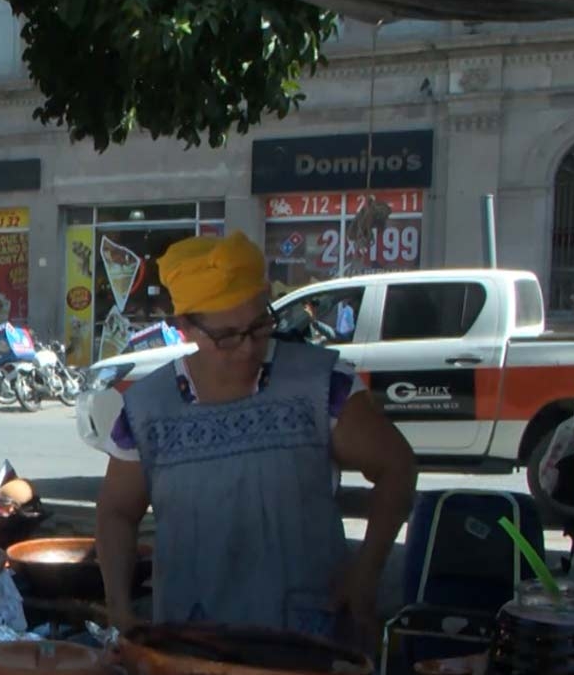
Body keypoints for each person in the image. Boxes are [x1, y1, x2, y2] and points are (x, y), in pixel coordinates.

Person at [95, 232, 417, 646]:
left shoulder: (323, 386)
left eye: (260, 326)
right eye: (228, 336)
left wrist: (365, 574)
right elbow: (117, 513)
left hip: (307, 640)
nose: (248, 348)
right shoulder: (146, 409)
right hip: (190, 642)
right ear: (185, 328)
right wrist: (119, 609)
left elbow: (397, 467)